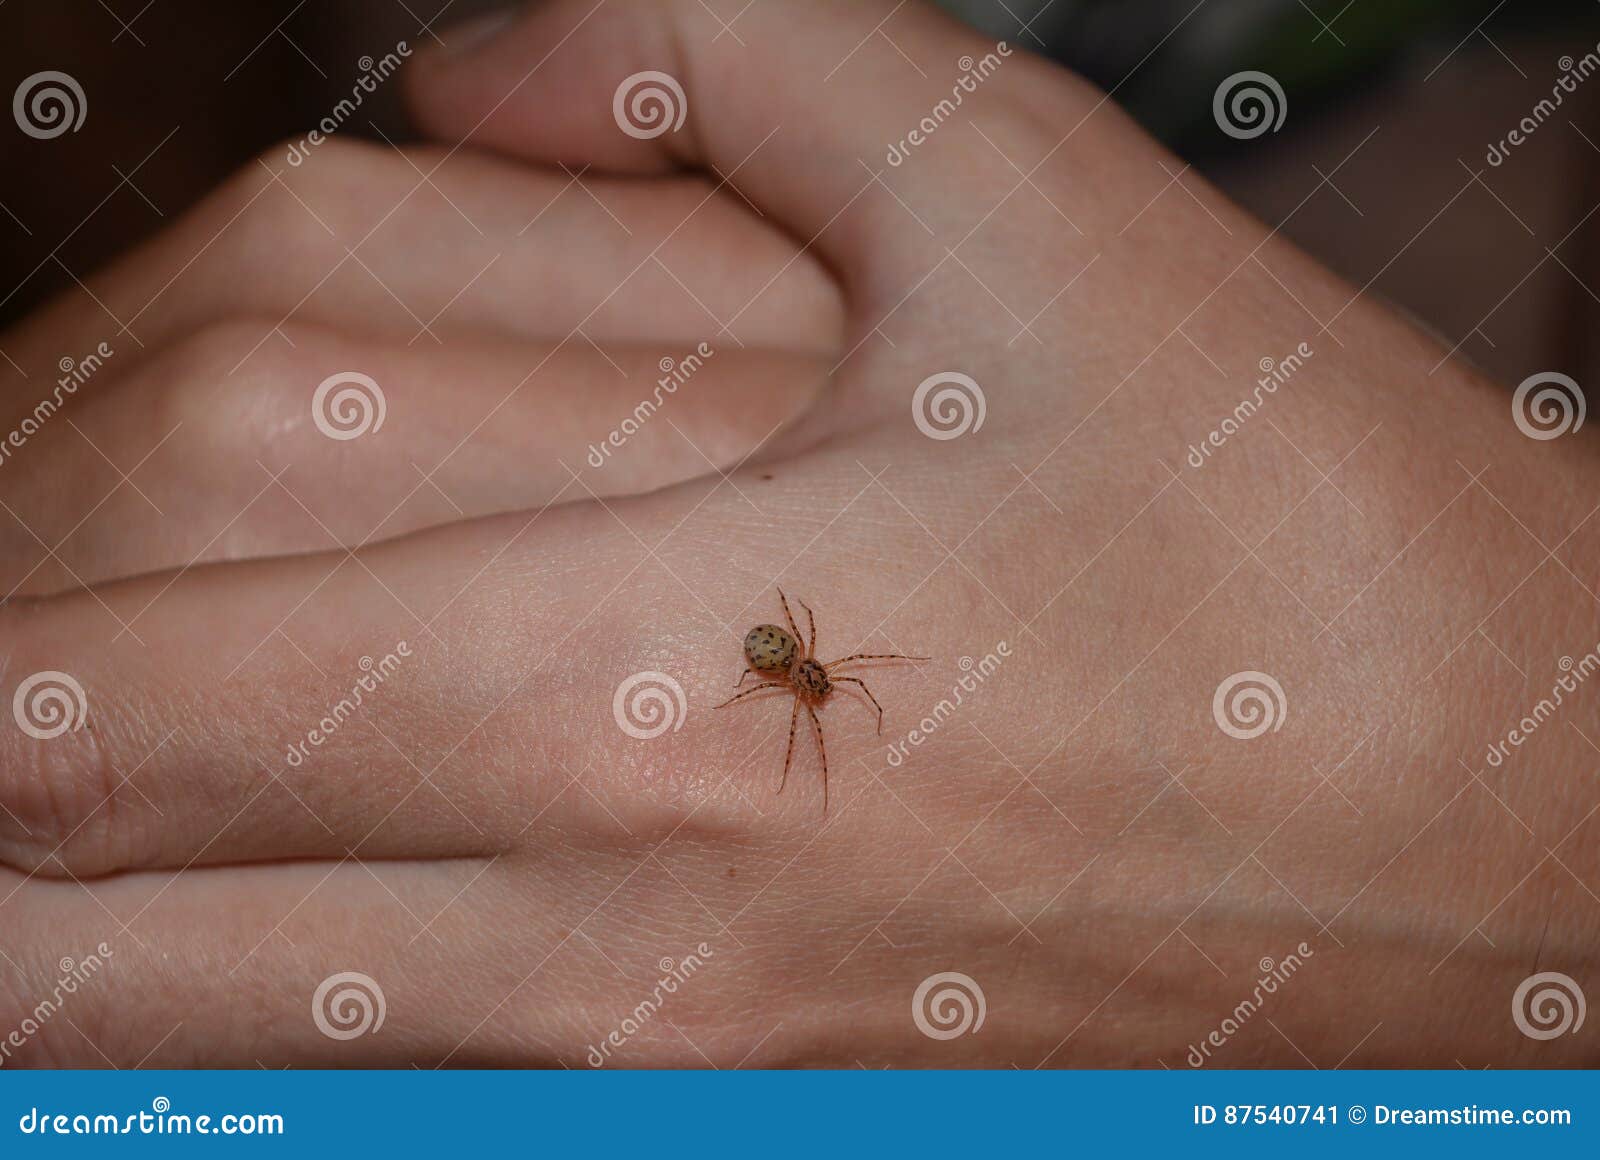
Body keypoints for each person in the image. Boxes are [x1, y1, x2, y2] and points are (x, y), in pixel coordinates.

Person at [0, 0, 1593, 1067]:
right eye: (808, 676)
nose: (812, 682)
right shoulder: (798, 661)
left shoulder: (807, 681)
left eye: (806, 679)